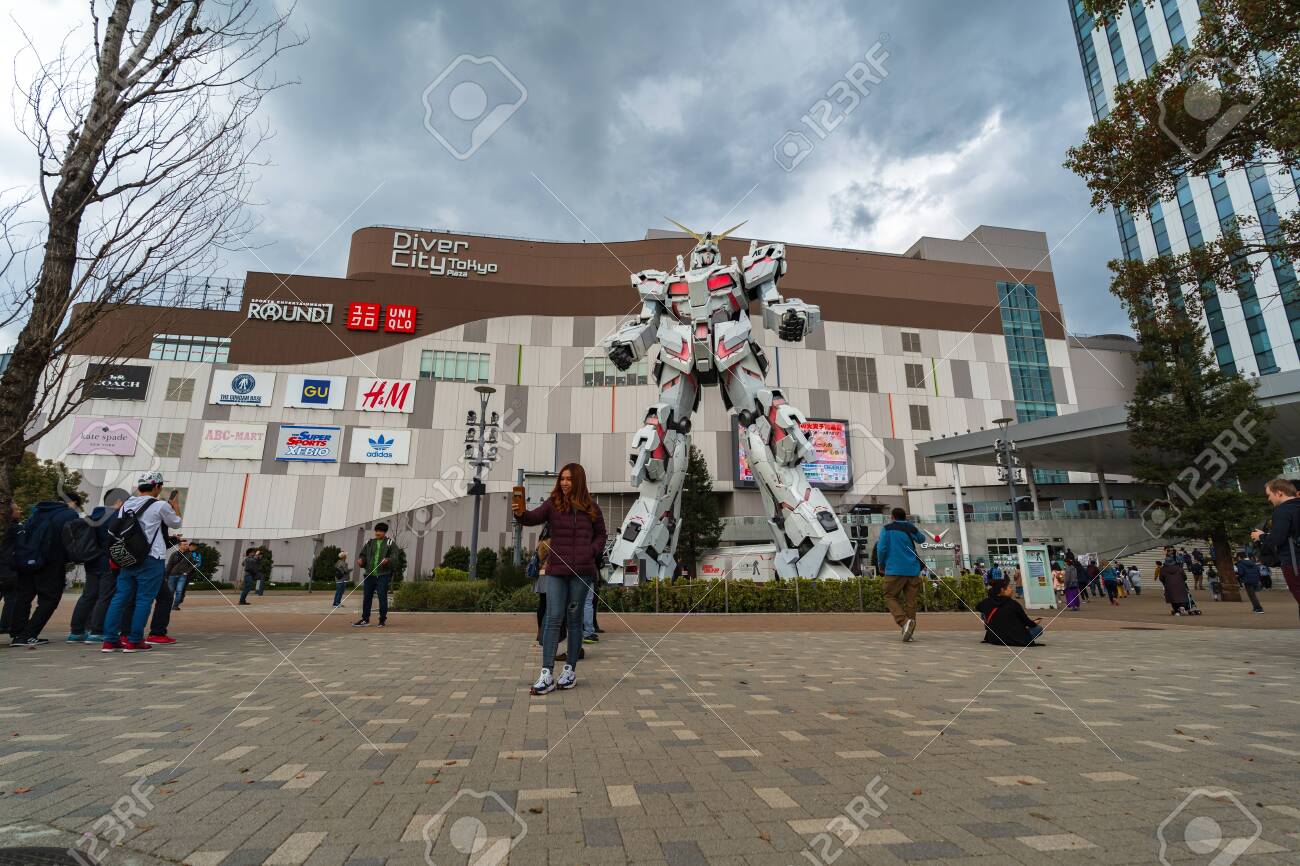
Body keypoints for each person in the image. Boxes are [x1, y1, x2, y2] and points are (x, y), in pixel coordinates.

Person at [513, 462, 606, 694]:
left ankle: (569, 671)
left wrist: (591, 551)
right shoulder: (553, 505)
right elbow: (532, 517)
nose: (564, 483)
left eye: (569, 479)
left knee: (574, 621)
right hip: (557, 571)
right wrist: (520, 513)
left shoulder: (592, 508)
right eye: (562, 479)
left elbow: (601, 535)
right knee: (553, 618)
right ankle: (546, 674)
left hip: (582, 572)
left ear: (579, 482)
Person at [100, 473, 182, 653]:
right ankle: (135, 640)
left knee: (120, 597)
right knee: (144, 599)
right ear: (157, 487)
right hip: (151, 557)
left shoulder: (127, 504)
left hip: (128, 557)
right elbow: (176, 523)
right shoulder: (160, 505)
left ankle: (110, 640)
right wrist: (175, 507)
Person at [8, 491, 84, 647]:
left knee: (24, 597)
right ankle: (29, 634)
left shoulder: (39, 511)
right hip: (51, 562)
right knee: (49, 599)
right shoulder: (69, 515)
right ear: (73, 503)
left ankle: (18, 633)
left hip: (27, 560)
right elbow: (71, 541)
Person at [67, 488, 129, 642]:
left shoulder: (95, 514)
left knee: (88, 595)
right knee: (105, 596)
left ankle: (76, 631)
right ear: (119, 501)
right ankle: (96, 631)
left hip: (91, 560)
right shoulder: (115, 516)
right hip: (108, 561)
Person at [874, 507, 927, 643]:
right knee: (911, 602)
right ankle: (908, 631)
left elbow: (881, 548)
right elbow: (921, 539)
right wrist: (911, 528)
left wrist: (881, 564)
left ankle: (903, 622)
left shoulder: (887, 529)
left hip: (894, 569)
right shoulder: (910, 527)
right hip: (913, 570)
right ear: (905, 517)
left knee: (889, 595)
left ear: (892, 517)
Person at [1251, 477, 1300, 620]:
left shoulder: (1282, 510)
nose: (1269, 499)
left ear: (1279, 493)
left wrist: (1261, 536)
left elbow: (1277, 539)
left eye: (1269, 495)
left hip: (1294, 562)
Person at [353, 522, 401, 627]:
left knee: (382, 597)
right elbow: (363, 555)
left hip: (383, 575)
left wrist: (388, 560)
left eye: (380, 531)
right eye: (376, 531)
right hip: (369, 575)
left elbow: (395, 557)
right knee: (367, 598)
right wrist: (361, 560)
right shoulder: (369, 542)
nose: (377, 533)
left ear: (384, 532)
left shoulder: (390, 543)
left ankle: (382, 620)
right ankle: (365, 619)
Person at [975, 577, 1044, 647]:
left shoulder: (987, 602)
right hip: (1015, 639)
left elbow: (978, 607)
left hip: (995, 638)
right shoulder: (1013, 604)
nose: (1012, 590)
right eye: (1009, 588)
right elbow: (1026, 622)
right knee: (1038, 628)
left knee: (984, 612)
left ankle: (991, 629)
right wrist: (1034, 623)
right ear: (1002, 590)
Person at [165, 538, 201, 610]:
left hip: (182, 576)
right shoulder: (174, 554)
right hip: (172, 575)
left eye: (187, 544)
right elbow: (169, 565)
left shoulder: (190, 555)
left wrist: (187, 572)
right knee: (170, 591)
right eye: (184, 544)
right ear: (179, 546)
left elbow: (192, 565)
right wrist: (166, 575)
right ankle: (168, 605)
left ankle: (175, 606)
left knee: (179, 591)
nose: (186, 546)